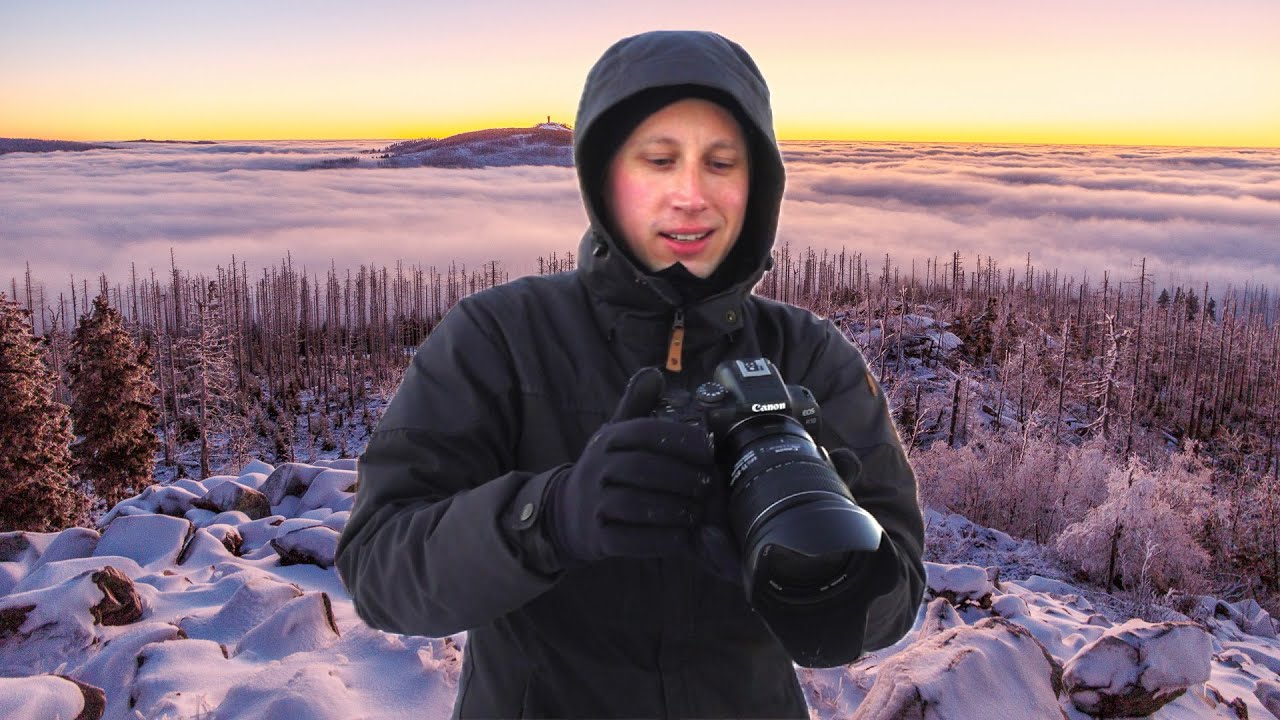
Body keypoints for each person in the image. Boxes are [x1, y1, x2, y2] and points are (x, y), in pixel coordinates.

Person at [336, 30, 926, 718]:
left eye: (722, 163)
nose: (689, 197)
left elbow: (894, 603)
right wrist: (550, 519)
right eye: (657, 161)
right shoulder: (499, 336)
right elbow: (380, 571)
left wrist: (826, 540)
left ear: (759, 185)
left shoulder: (809, 354)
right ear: (603, 180)